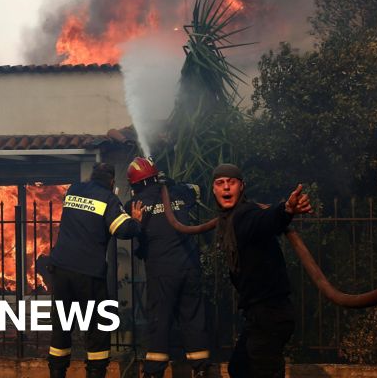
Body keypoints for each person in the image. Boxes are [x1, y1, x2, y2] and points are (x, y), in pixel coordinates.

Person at [211, 163, 312, 378]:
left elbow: (265, 220)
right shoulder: (227, 220)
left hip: (270, 314)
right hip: (259, 315)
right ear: (214, 190)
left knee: (263, 371)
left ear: (242, 187)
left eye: (232, 183)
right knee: (239, 367)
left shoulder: (246, 214)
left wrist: (286, 210)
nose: (226, 188)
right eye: (220, 184)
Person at [47, 162, 143, 378]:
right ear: (111, 182)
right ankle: (96, 373)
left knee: (62, 325)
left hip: (61, 269)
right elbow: (123, 230)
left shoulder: (74, 189)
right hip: (88, 274)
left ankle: (56, 373)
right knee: (98, 327)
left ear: (92, 176)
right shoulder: (108, 198)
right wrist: (135, 221)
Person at [125, 156, 213, 378]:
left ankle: (154, 372)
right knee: (193, 318)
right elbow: (197, 189)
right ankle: (201, 370)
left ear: (134, 184)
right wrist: (173, 183)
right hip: (189, 267)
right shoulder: (179, 193)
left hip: (162, 271)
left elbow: (128, 224)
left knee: (159, 320)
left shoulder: (135, 205)